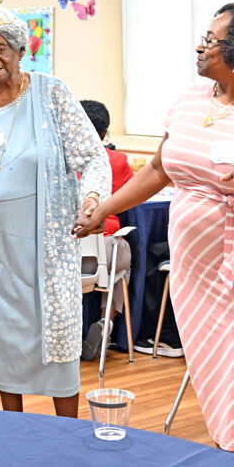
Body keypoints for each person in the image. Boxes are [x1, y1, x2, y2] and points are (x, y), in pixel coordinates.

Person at [75, 3, 234, 460]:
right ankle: (229, 448)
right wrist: (103, 207)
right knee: (209, 367)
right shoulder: (189, 100)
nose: (201, 45)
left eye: (212, 38)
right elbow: (160, 169)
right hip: (194, 266)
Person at [0, 6, 110, 418]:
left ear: (20, 49)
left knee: (59, 335)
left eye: (0, 48)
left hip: (45, 246)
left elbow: (94, 158)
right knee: (6, 342)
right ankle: (12, 427)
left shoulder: (51, 93)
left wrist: (92, 199)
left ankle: (67, 433)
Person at [78, 99, 134, 361]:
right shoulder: (117, 160)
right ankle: (106, 321)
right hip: (105, 247)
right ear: (103, 133)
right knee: (120, 270)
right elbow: (132, 197)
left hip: (65, 249)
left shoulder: (57, 162)